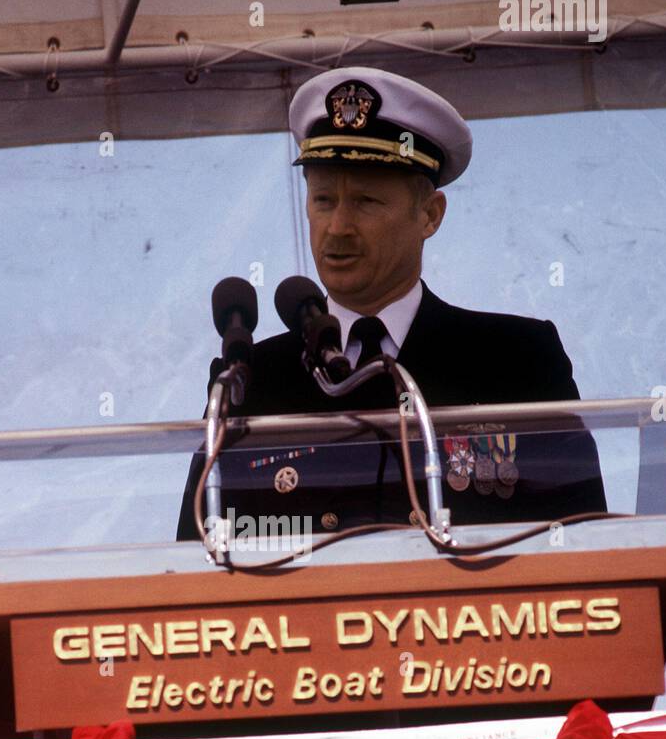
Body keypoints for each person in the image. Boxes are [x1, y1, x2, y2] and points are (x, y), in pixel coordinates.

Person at [177, 67, 606, 541]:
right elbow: (196, 560)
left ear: (430, 215)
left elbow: (583, 539)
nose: (338, 226)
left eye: (365, 201)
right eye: (323, 199)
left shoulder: (516, 357)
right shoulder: (251, 379)